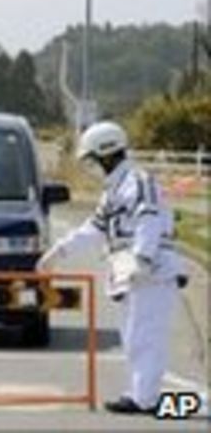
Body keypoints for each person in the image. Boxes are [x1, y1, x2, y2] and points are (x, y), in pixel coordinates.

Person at [37, 121, 183, 415]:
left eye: (91, 161)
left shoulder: (138, 182)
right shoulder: (114, 191)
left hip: (151, 273)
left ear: (107, 155)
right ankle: (145, 395)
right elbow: (95, 228)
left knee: (145, 337)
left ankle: (146, 399)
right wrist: (60, 251)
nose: (90, 169)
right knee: (133, 336)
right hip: (130, 275)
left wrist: (141, 258)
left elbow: (149, 219)